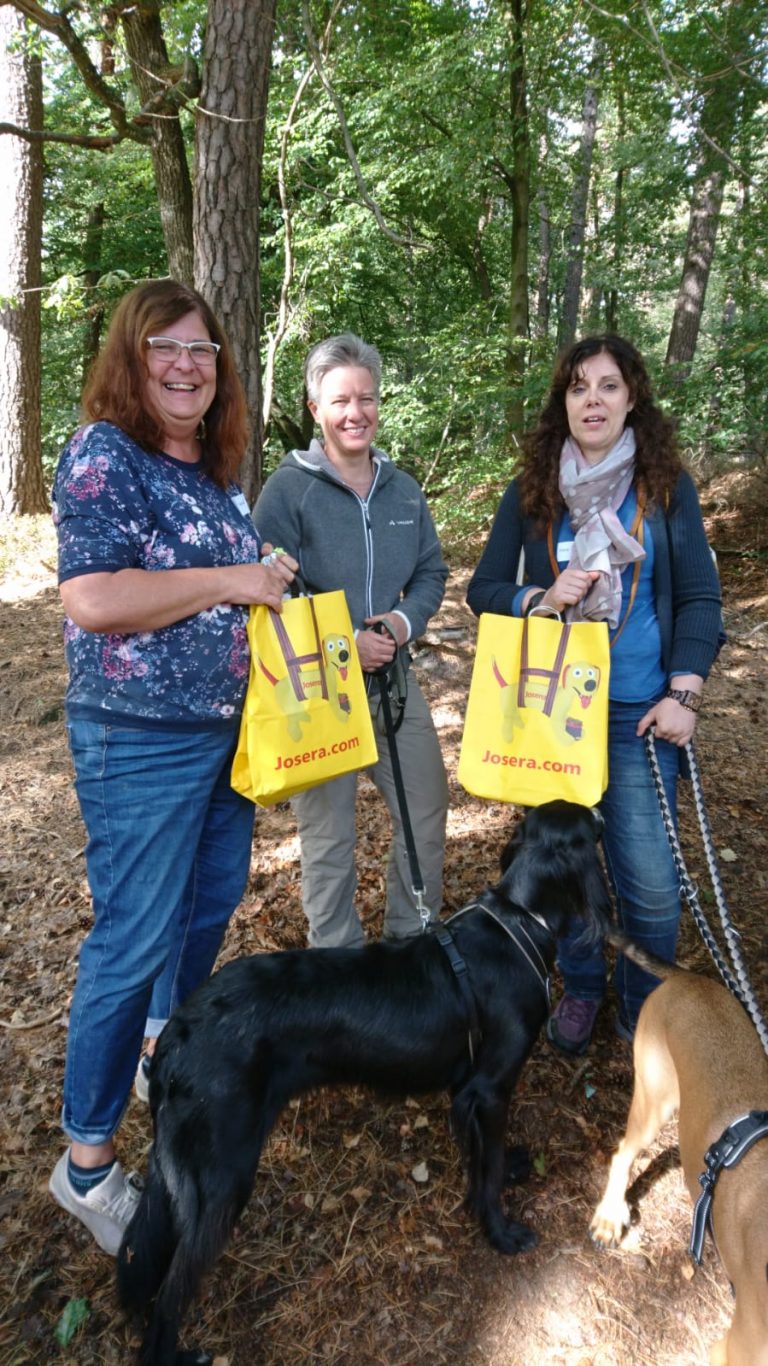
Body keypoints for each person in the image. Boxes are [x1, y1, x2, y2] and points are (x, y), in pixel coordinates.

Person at [49, 280, 296, 1254]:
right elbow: (96, 597)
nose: (189, 364)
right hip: (139, 734)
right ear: (133, 358)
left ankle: (162, 1047)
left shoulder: (214, 472)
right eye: (167, 347)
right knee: (132, 933)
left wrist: (270, 582)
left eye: (204, 349)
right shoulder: (104, 455)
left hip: (224, 735)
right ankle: (87, 1163)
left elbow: (226, 585)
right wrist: (233, 577)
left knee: (207, 904)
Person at [467, 334, 723, 1055]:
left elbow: (702, 597)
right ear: (564, 402)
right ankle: (579, 987)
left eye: (609, 386)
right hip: (552, 720)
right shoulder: (536, 490)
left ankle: (644, 1009)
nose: (593, 401)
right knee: (559, 871)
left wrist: (686, 693)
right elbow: (481, 589)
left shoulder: (665, 488)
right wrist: (539, 596)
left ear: (632, 398)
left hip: (640, 714)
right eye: (579, 388)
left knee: (650, 888)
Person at [254, 332, 449, 948]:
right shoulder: (288, 490)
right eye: (340, 400)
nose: (354, 412)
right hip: (317, 691)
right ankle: (336, 969)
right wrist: (343, 641)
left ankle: (408, 951)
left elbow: (431, 572)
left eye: (366, 398)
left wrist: (399, 624)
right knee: (330, 836)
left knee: (425, 810)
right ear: (316, 409)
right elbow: (266, 591)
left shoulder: (403, 490)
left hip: (393, 682)